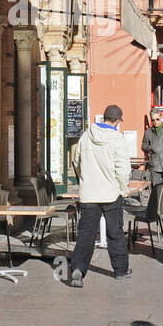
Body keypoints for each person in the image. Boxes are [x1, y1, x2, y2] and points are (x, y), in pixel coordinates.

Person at [65, 104, 132, 287]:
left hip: (89, 194)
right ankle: (120, 270)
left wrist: (85, 179)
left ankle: (78, 268)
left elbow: (76, 162)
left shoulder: (86, 136)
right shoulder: (118, 139)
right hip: (111, 193)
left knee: (86, 233)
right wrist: (122, 187)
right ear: (118, 120)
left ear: (103, 117)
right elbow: (123, 169)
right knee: (115, 232)